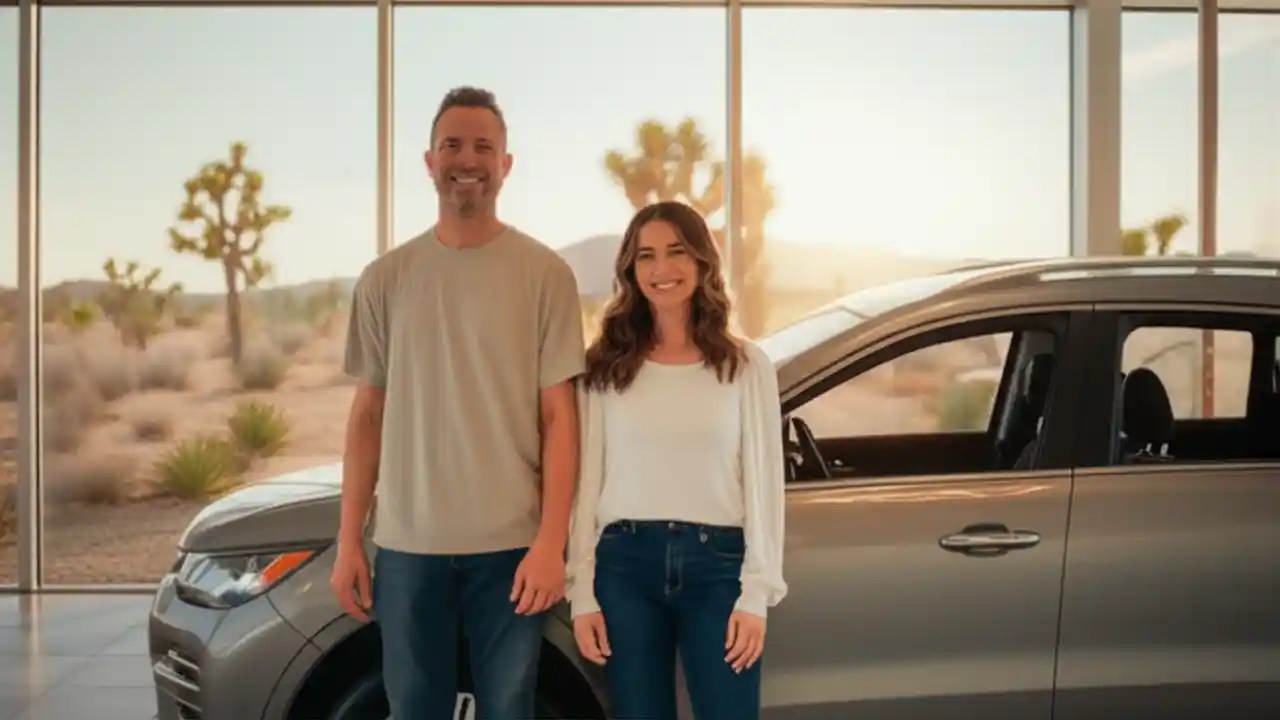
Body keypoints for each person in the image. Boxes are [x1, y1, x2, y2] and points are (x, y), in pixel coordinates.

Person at [331, 86, 585, 720]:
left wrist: (551, 543)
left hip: (511, 548)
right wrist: (349, 542)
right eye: (452, 144)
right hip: (407, 549)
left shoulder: (545, 274)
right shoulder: (385, 278)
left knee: (509, 709)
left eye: (482, 146)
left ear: (506, 163)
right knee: (414, 710)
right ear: (428, 160)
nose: (465, 159)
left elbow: (561, 419)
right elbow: (367, 417)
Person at [565, 200, 788, 719]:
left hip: (719, 571)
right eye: (646, 256)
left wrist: (755, 595)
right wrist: (582, 592)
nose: (661, 269)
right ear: (630, 270)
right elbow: (587, 482)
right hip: (624, 568)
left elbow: (764, 486)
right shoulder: (605, 368)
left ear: (702, 263)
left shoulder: (746, 366)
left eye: (675, 252)